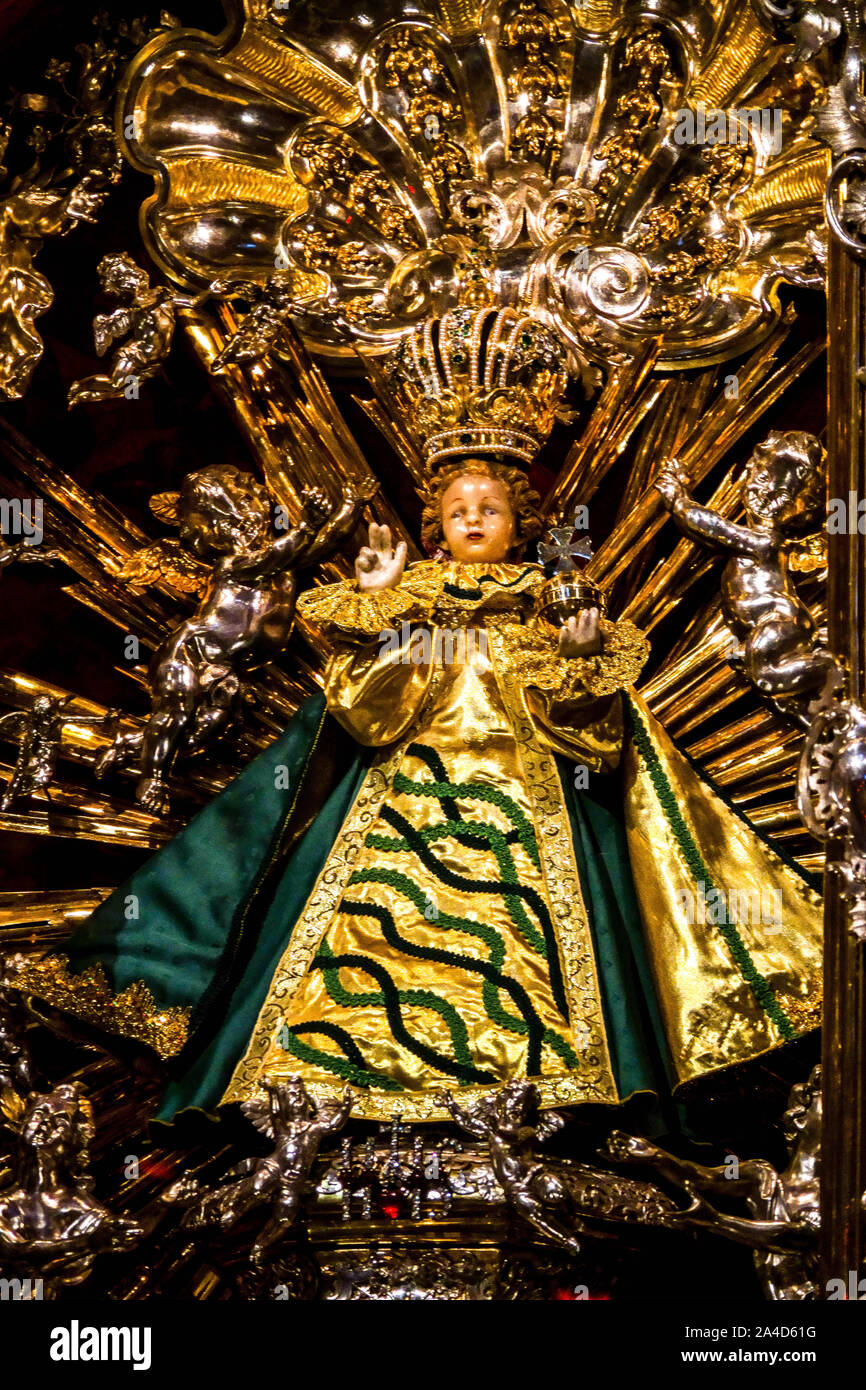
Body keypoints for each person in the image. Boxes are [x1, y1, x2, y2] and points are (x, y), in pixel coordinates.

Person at [9, 310, 822, 1129]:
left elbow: (594, 745)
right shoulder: (406, 612)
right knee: (357, 942)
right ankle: (329, 1100)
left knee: (545, 954)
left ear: (523, 526)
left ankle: (548, 1105)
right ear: (433, 523)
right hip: (399, 810)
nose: (474, 518)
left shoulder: (550, 611)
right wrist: (377, 609)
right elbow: (368, 716)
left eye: (492, 508)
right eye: (458, 507)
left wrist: (577, 669)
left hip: (531, 815)